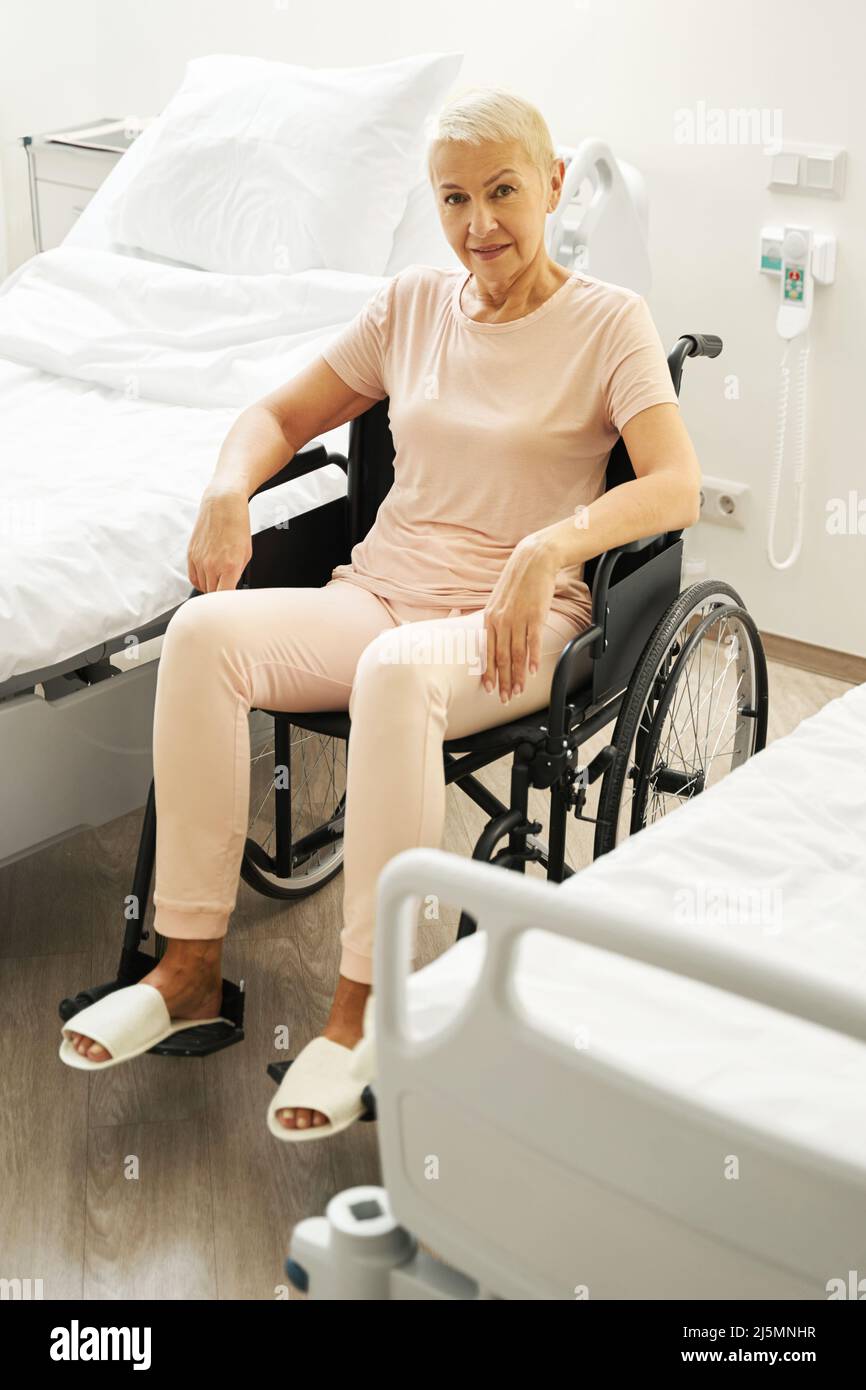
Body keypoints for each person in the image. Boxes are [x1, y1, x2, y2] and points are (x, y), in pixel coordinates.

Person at [61, 86, 701, 1142]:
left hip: (515, 623)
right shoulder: (409, 302)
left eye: (501, 191)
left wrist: (550, 544)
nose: (478, 224)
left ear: (550, 184)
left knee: (397, 673)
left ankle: (364, 1010)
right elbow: (276, 412)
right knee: (203, 634)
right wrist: (228, 488)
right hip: (382, 594)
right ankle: (188, 967)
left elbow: (673, 486)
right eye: (452, 198)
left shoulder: (605, 321)